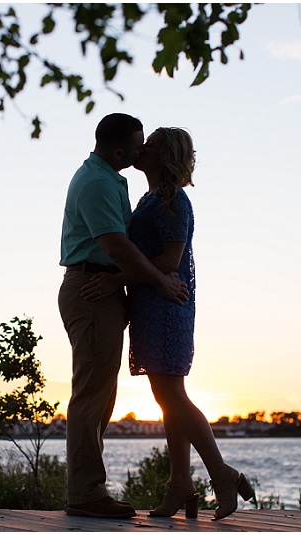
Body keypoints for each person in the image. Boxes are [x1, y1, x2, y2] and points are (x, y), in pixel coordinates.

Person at [80, 127, 254, 521]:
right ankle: (180, 482)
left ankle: (222, 475)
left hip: (166, 305)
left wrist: (116, 280)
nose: (143, 147)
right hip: (150, 304)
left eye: (152, 143)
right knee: (166, 397)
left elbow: (170, 261)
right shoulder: (151, 198)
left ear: (166, 155)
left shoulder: (173, 199)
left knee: (171, 394)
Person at [58, 114, 189, 519]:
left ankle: (88, 490)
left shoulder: (110, 179)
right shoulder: (98, 183)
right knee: (92, 393)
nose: (142, 149)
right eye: (137, 144)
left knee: (101, 393)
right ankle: (85, 493)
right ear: (118, 151)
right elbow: (116, 245)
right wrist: (160, 281)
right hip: (93, 287)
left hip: (102, 287)